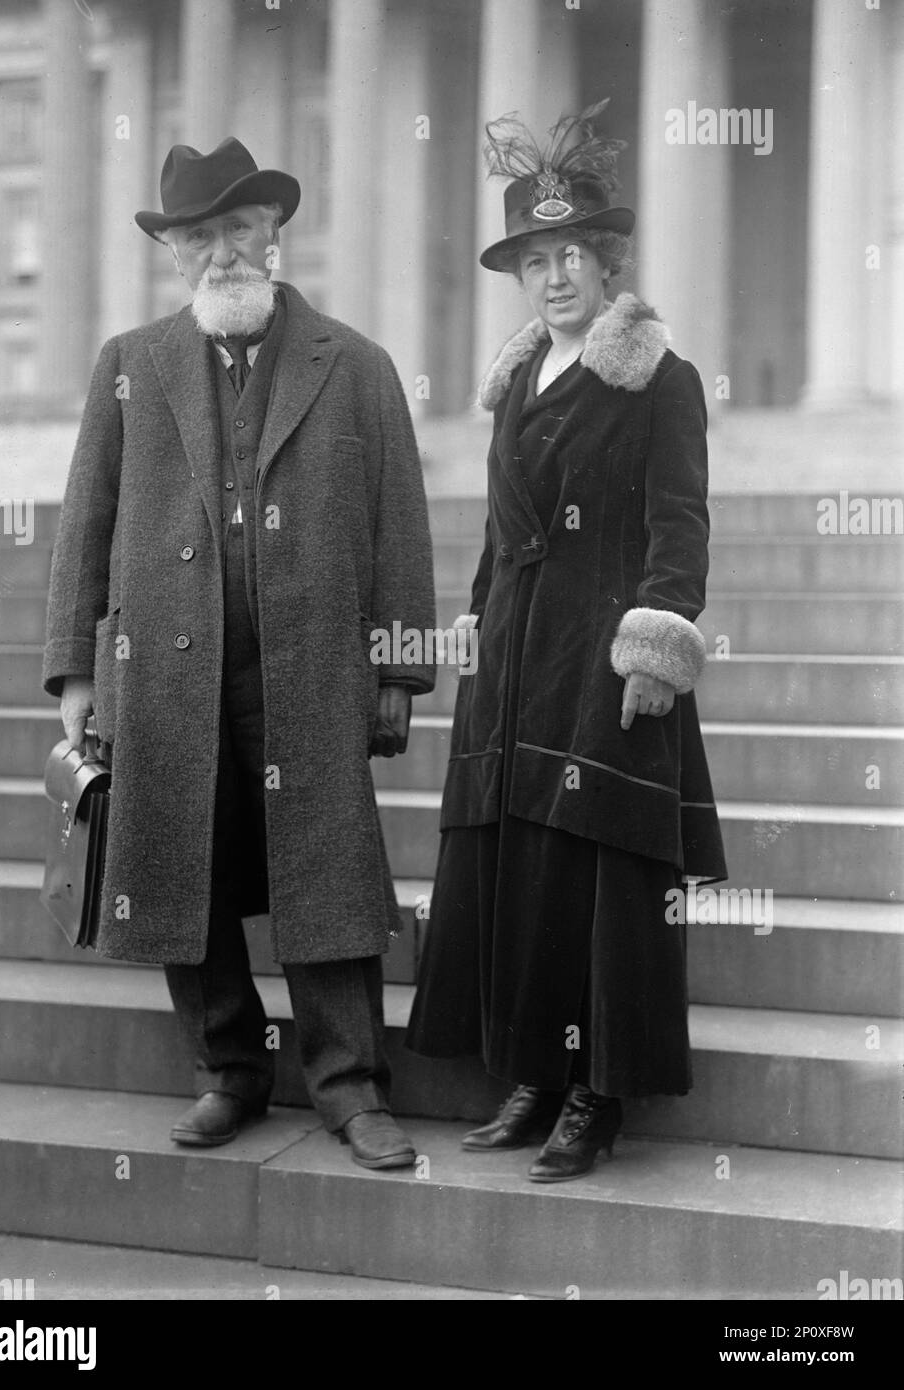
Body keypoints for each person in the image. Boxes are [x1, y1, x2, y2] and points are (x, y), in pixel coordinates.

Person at [43, 137, 436, 1170]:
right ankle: (229, 1070)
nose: (219, 253)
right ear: (172, 253)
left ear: (274, 233)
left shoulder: (355, 364)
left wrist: (398, 669)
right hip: (163, 672)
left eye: (237, 229)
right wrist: (76, 675)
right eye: (196, 237)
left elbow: (399, 523)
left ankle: (350, 1086)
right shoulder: (129, 366)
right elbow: (87, 524)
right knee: (182, 869)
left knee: (327, 876)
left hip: (308, 671)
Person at [406, 104, 727, 1182]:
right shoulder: (515, 387)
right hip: (514, 659)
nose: (554, 276)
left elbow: (679, 522)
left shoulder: (658, 378)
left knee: (596, 874)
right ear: (518, 276)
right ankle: (537, 1075)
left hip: (601, 656)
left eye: (572, 255)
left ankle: (597, 1094)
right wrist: (475, 616)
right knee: (523, 868)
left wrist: (655, 645)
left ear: (605, 262)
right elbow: (503, 530)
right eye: (534, 261)